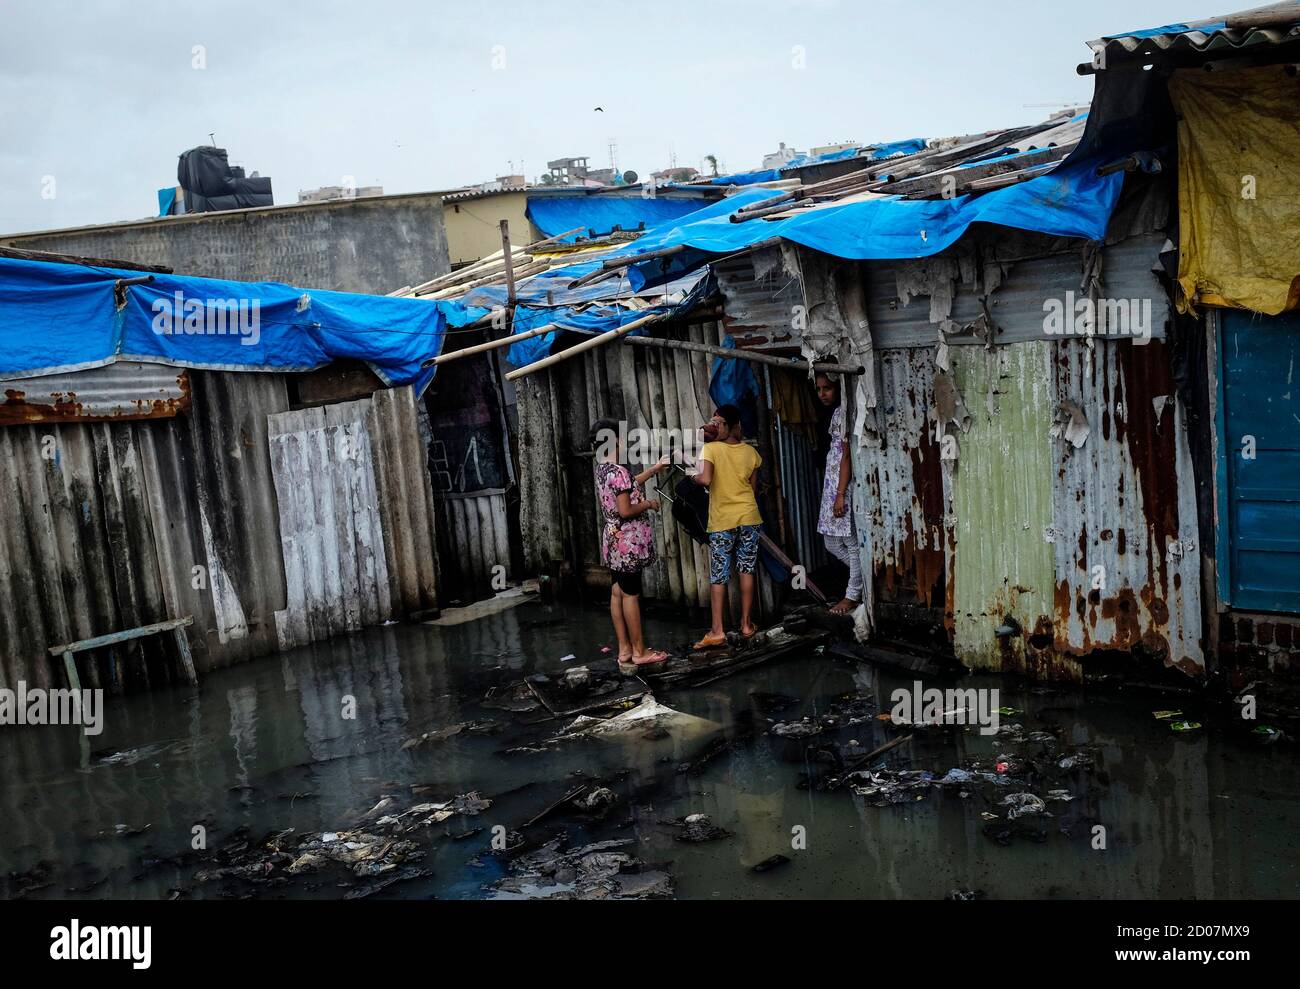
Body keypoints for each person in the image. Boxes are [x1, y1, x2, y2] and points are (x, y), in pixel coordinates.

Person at [590, 419, 670, 669]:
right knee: (631, 595)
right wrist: (648, 504)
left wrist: (654, 469)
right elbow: (625, 510)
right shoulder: (619, 471)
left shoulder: (603, 469)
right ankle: (639, 651)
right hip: (628, 541)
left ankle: (624, 650)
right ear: (615, 441)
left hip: (613, 539)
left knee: (617, 591)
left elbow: (626, 486)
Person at [690, 404, 763, 648]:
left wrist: (693, 475)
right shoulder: (751, 453)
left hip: (722, 521)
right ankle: (746, 625)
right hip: (749, 518)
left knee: (719, 574)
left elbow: (706, 479)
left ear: (729, 426)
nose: (713, 426)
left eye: (717, 422)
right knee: (746, 570)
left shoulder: (710, 449)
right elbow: (753, 490)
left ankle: (717, 630)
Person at [814, 372, 861, 614]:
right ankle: (863, 576)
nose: (822, 394)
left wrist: (841, 493)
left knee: (852, 542)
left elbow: (847, 455)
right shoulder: (835, 413)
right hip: (832, 484)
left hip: (840, 485)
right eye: (819, 388)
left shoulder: (843, 412)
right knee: (831, 542)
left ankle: (853, 594)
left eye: (827, 388)